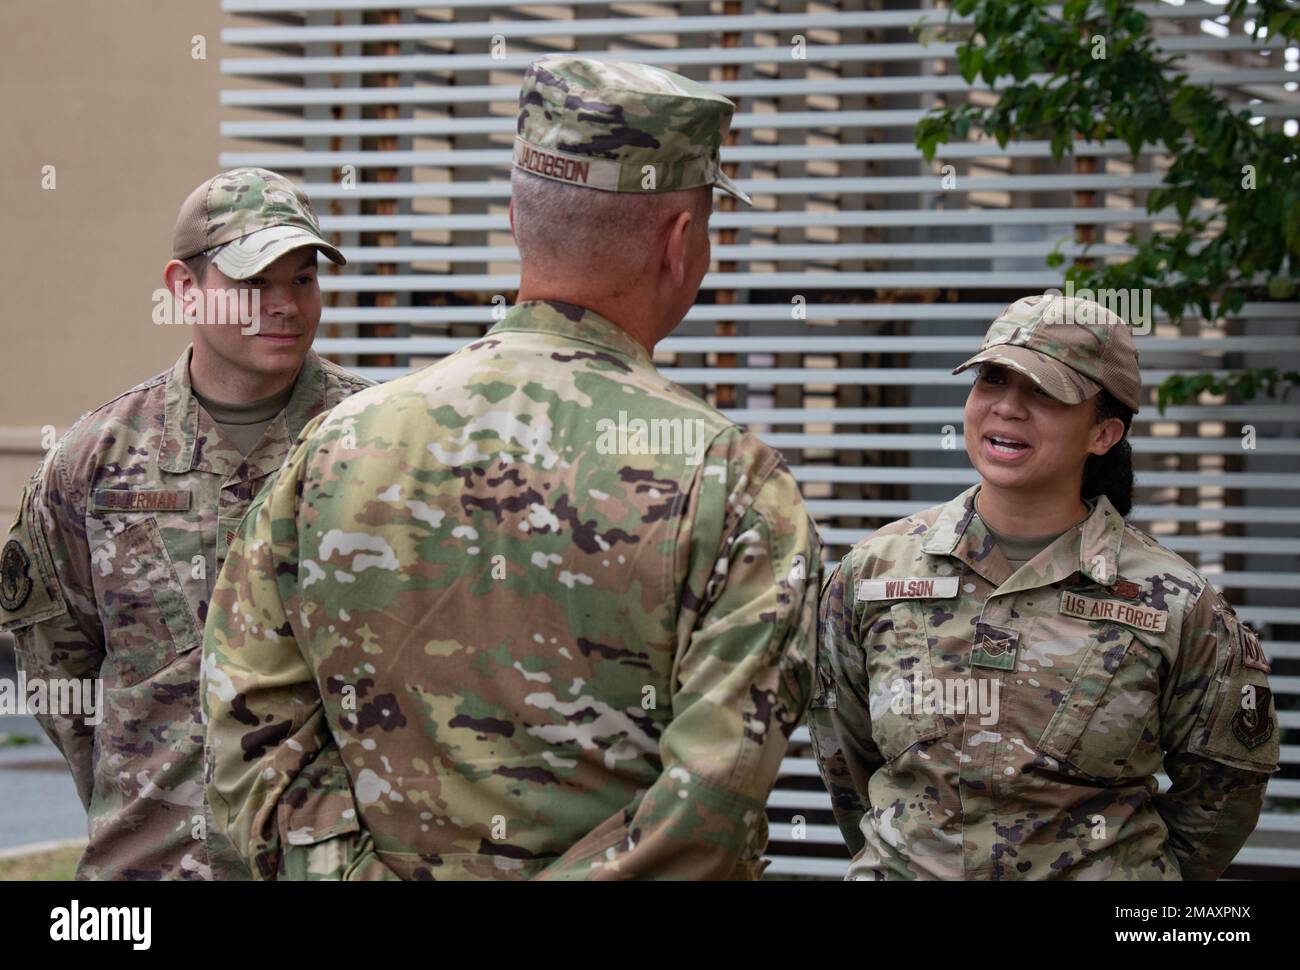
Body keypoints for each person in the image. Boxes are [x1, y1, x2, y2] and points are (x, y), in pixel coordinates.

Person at [202, 54, 820, 881]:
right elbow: (705, 811)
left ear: (514, 219)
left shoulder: (335, 446)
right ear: (680, 243)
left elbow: (250, 728)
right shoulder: (735, 486)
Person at [809, 294, 1280, 880]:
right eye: (992, 380)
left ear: (1104, 432)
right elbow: (844, 756)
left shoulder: (1174, 602)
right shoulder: (873, 573)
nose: (1007, 408)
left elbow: (1224, 792)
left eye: (1044, 392)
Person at [0, 168, 373, 879]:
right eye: (253, 284)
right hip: (153, 867)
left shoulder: (375, 442)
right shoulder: (95, 461)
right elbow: (57, 666)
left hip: (329, 862)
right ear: (183, 289)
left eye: (302, 281)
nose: (285, 306)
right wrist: (143, 788)